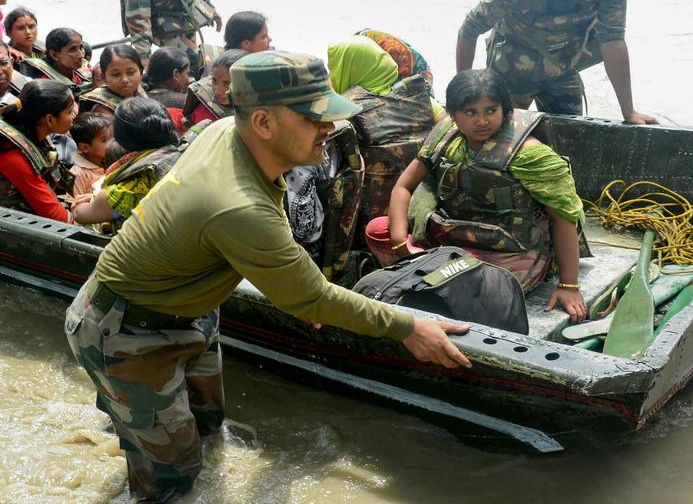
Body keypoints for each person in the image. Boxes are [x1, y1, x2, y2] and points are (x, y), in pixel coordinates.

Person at [64, 51, 471, 502]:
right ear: (263, 123)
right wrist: (410, 326)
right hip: (125, 333)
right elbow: (307, 290)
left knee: (207, 425)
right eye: (316, 118)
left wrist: (297, 290)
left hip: (191, 311)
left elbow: (292, 273)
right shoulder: (237, 204)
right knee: (171, 477)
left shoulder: (225, 130)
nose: (330, 129)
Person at [375, 69, 588, 324]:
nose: (482, 121)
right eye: (470, 112)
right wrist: (400, 243)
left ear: (505, 110)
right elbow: (404, 187)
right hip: (454, 237)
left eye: (490, 110)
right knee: (377, 230)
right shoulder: (446, 139)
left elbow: (565, 218)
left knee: (461, 281)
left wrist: (569, 284)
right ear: (453, 115)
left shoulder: (531, 155)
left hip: (511, 251)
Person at [456, 0, 656, 125]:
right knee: (501, 133)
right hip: (512, 71)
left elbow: (613, 41)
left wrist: (628, 112)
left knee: (573, 133)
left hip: (561, 65)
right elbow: (469, 29)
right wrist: (464, 95)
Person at [0, 79, 80, 221]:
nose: (74, 115)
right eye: (69, 111)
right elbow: (56, 216)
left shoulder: (31, 131)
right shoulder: (13, 156)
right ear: (49, 119)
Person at [72, 97, 186, 227]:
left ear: (120, 140)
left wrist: (79, 205)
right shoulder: (183, 151)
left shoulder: (129, 187)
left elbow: (81, 215)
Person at [184, 48, 249, 126]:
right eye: (214, 81)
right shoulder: (204, 113)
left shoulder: (256, 107)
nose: (217, 92)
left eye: (227, 84)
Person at [79, 44, 147, 116]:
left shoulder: (138, 90)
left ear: (140, 72)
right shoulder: (102, 109)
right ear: (104, 77)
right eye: (116, 74)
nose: (125, 80)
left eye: (131, 72)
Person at [23, 27, 92, 92]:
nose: (81, 55)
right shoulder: (47, 86)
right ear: (54, 55)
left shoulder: (84, 72)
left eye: (81, 47)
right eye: (72, 50)